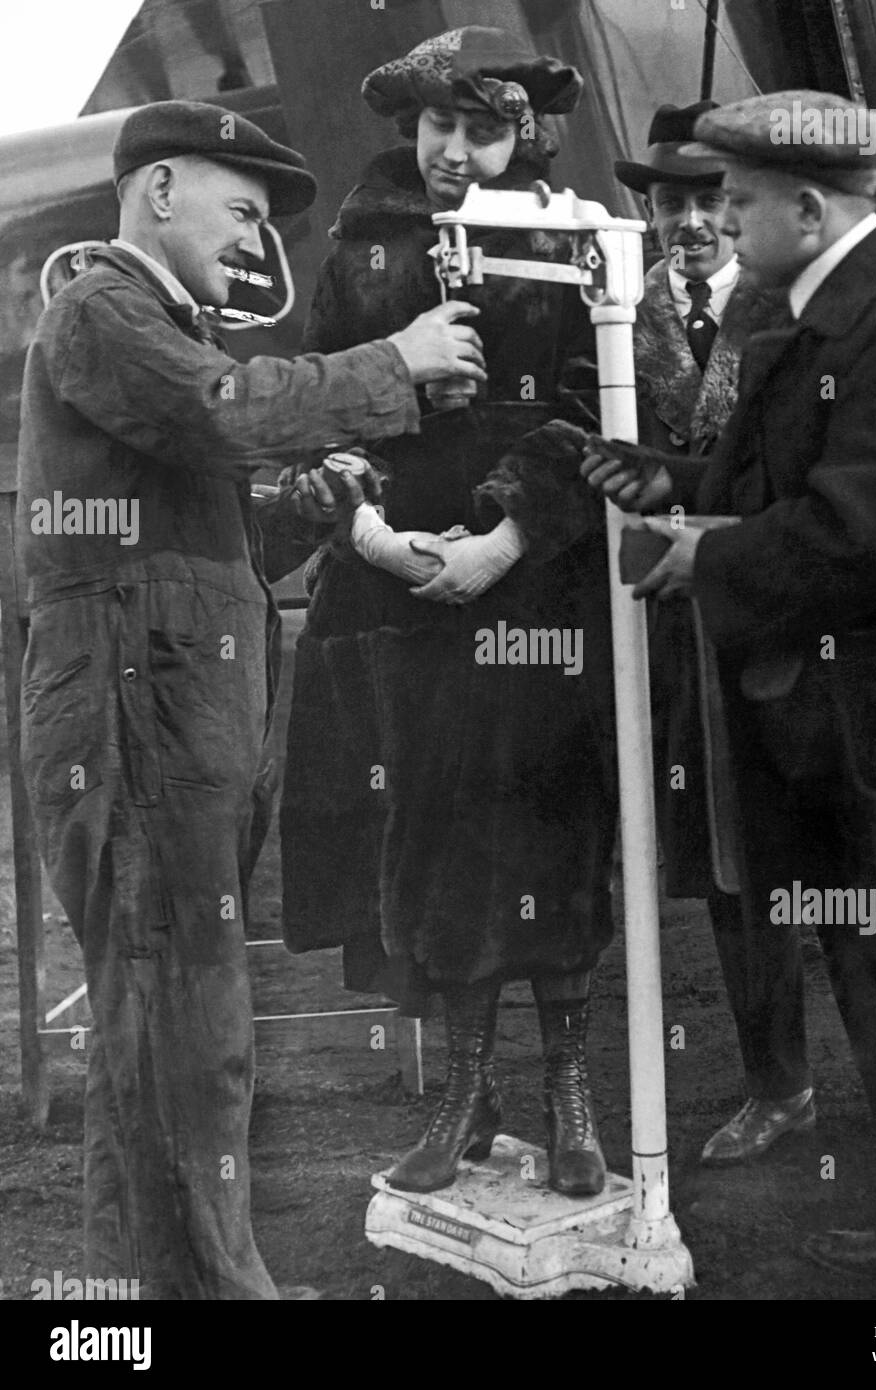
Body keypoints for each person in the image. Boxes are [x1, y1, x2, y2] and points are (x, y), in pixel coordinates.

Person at [16, 98, 487, 1299]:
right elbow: (227, 413)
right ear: (158, 189)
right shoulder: (103, 308)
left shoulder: (145, 330)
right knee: (194, 1030)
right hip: (139, 719)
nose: (251, 243)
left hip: (161, 706)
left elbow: (193, 548)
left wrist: (301, 509)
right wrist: (396, 364)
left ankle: (136, 1304)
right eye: (239, 211)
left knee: (153, 1036)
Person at [593, 90, 876, 1296]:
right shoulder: (831, 305)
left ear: (808, 204)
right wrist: (672, 477)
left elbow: (869, 533)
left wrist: (708, 557)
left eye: (736, 200)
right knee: (874, 976)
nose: (721, 220)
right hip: (851, 708)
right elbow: (793, 479)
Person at [280, 27, 615, 1198]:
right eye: (436, 127)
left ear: (522, 133)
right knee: (437, 837)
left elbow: (598, 403)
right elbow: (319, 395)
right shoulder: (364, 246)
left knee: (554, 826)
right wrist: (371, 530)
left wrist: (512, 532)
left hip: (539, 581)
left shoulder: (569, 239)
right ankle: (467, 1097)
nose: (454, 151)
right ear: (409, 127)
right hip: (404, 582)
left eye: (481, 129)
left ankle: (572, 1093)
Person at [610, 101, 814, 1166]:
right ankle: (773, 1081)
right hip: (671, 638)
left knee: (818, 851)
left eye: (708, 200)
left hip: (784, 625)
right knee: (721, 866)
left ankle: (874, 1082)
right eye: (669, 201)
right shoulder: (615, 323)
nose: (690, 222)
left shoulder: (791, 314)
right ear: (644, 210)